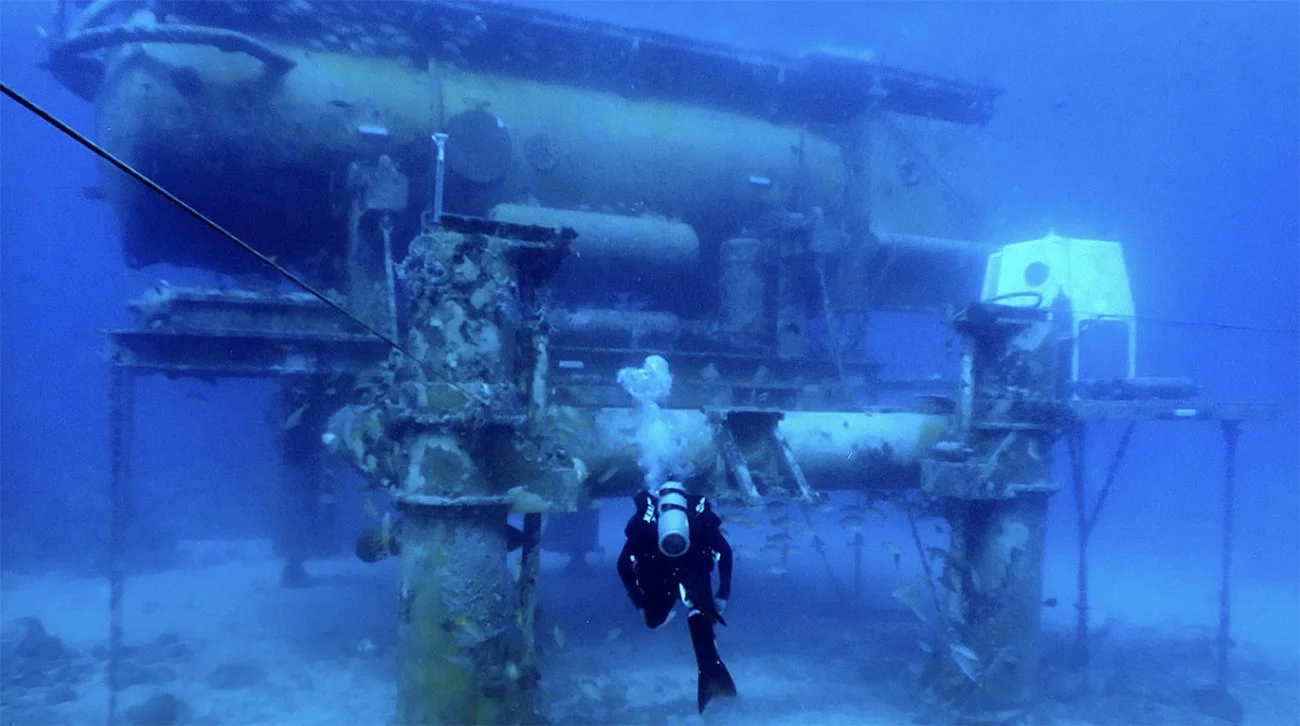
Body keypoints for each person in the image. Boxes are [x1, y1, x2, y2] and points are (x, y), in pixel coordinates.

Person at [617, 481, 737, 713]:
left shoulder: (646, 519)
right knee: (701, 612)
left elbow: (623, 564)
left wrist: (639, 603)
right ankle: (711, 667)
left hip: (657, 574)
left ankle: (711, 675)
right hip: (694, 568)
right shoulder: (697, 515)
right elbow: (725, 552)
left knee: (653, 620)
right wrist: (723, 593)